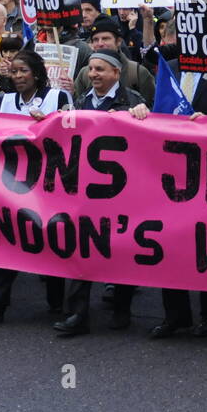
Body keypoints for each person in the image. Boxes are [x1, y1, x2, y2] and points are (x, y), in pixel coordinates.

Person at [53, 52, 149, 337]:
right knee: (82, 249)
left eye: (100, 69)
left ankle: (122, 308)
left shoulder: (133, 101)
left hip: (122, 191)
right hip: (87, 190)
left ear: (116, 73)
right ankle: (77, 314)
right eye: (91, 69)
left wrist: (139, 115)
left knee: (120, 249)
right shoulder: (82, 101)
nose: (93, 74)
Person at [0, 50, 70, 321]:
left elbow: (72, 132)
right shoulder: (6, 100)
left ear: (36, 73)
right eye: (13, 72)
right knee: (9, 238)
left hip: (48, 181)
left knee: (49, 240)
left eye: (23, 71)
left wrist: (48, 123)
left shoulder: (57, 97)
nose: (17, 76)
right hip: (14, 181)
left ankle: (57, 303)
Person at [72, 15, 156, 104]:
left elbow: (152, 108)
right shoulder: (85, 74)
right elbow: (77, 109)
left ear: (118, 41)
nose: (100, 44)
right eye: (95, 39)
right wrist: (71, 92)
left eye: (105, 38)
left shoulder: (137, 72)